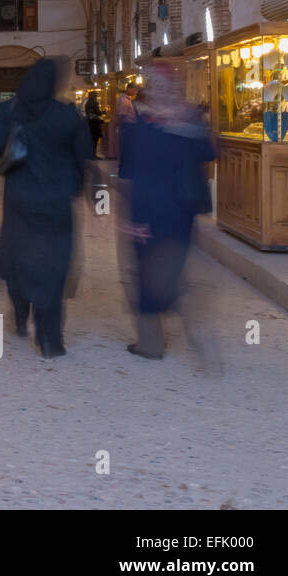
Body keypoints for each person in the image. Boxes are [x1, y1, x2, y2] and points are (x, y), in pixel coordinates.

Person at [0, 58, 94, 358]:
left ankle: (20, 316)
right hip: (57, 204)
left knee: (18, 257)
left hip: (20, 201)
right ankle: (49, 339)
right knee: (53, 266)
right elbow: (85, 157)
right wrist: (83, 191)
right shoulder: (68, 115)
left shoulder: (11, 110)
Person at [117, 62, 216, 359]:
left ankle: (151, 343)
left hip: (150, 209)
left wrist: (132, 219)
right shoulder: (190, 121)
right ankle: (195, 326)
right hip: (183, 207)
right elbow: (210, 153)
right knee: (174, 261)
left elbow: (133, 173)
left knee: (144, 271)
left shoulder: (143, 127)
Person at [84, 91, 104, 158]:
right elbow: (97, 112)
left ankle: (91, 154)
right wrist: (101, 113)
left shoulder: (88, 103)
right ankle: (93, 155)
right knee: (94, 140)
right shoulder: (94, 102)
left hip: (90, 124)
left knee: (91, 140)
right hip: (95, 124)